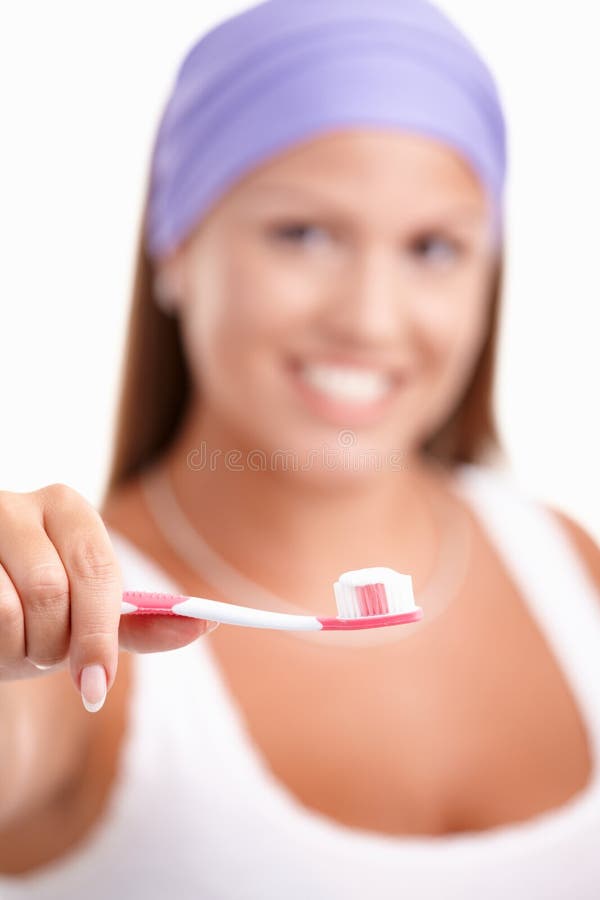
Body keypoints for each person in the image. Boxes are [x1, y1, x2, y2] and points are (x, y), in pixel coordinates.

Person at [1, 0, 599, 897]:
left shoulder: (564, 557)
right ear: (176, 244)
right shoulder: (72, 638)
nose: (368, 317)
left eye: (434, 247)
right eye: (303, 234)